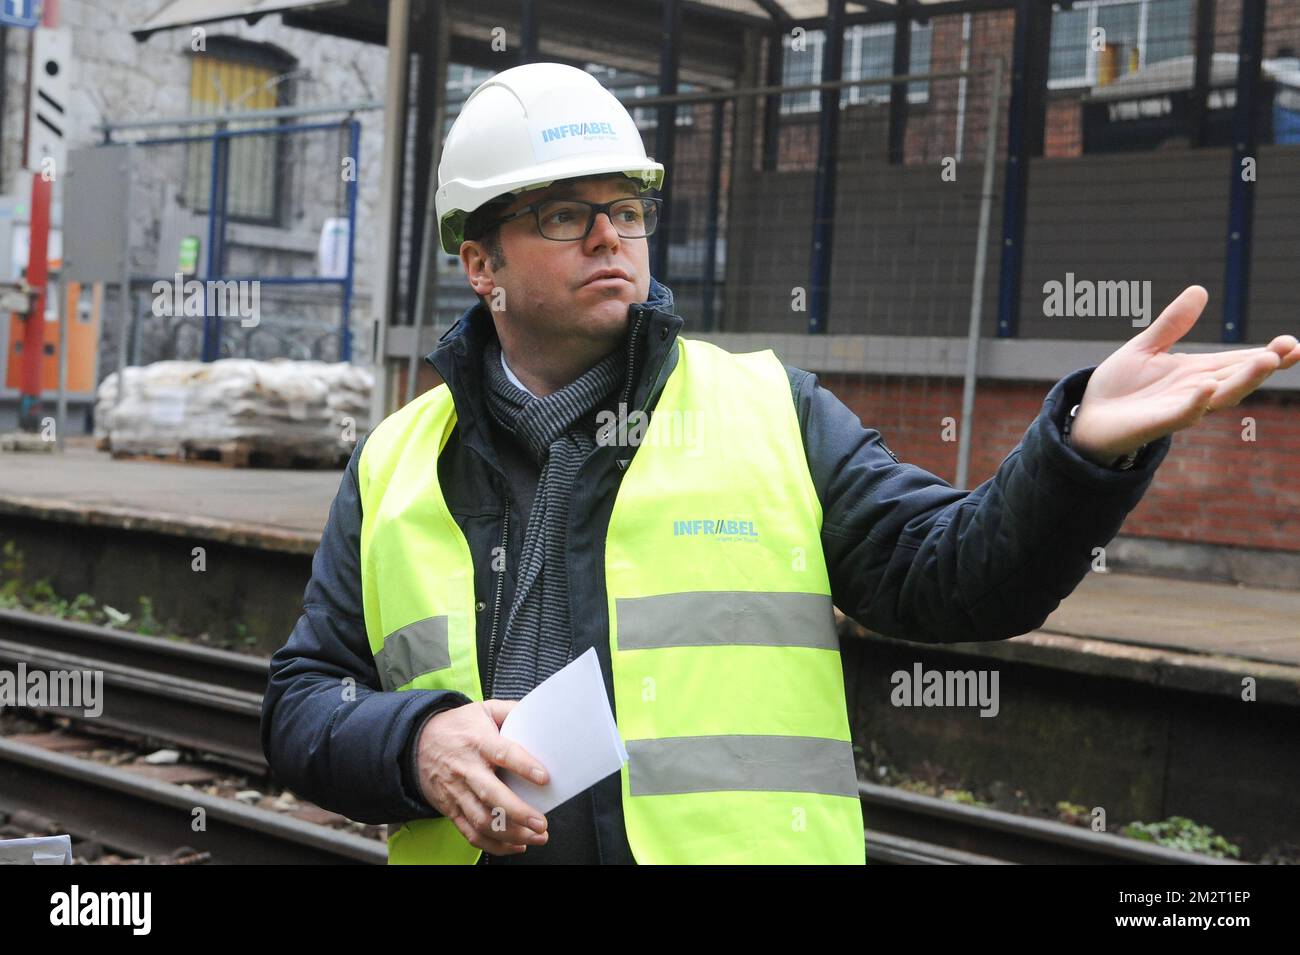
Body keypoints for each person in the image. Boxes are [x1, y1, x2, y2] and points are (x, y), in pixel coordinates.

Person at [260, 62, 1300, 865]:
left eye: (624, 208)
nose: (608, 237)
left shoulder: (767, 409)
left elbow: (958, 575)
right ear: (479, 262)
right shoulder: (396, 461)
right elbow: (303, 706)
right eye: (562, 214)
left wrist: (1074, 449)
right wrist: (416, 743)